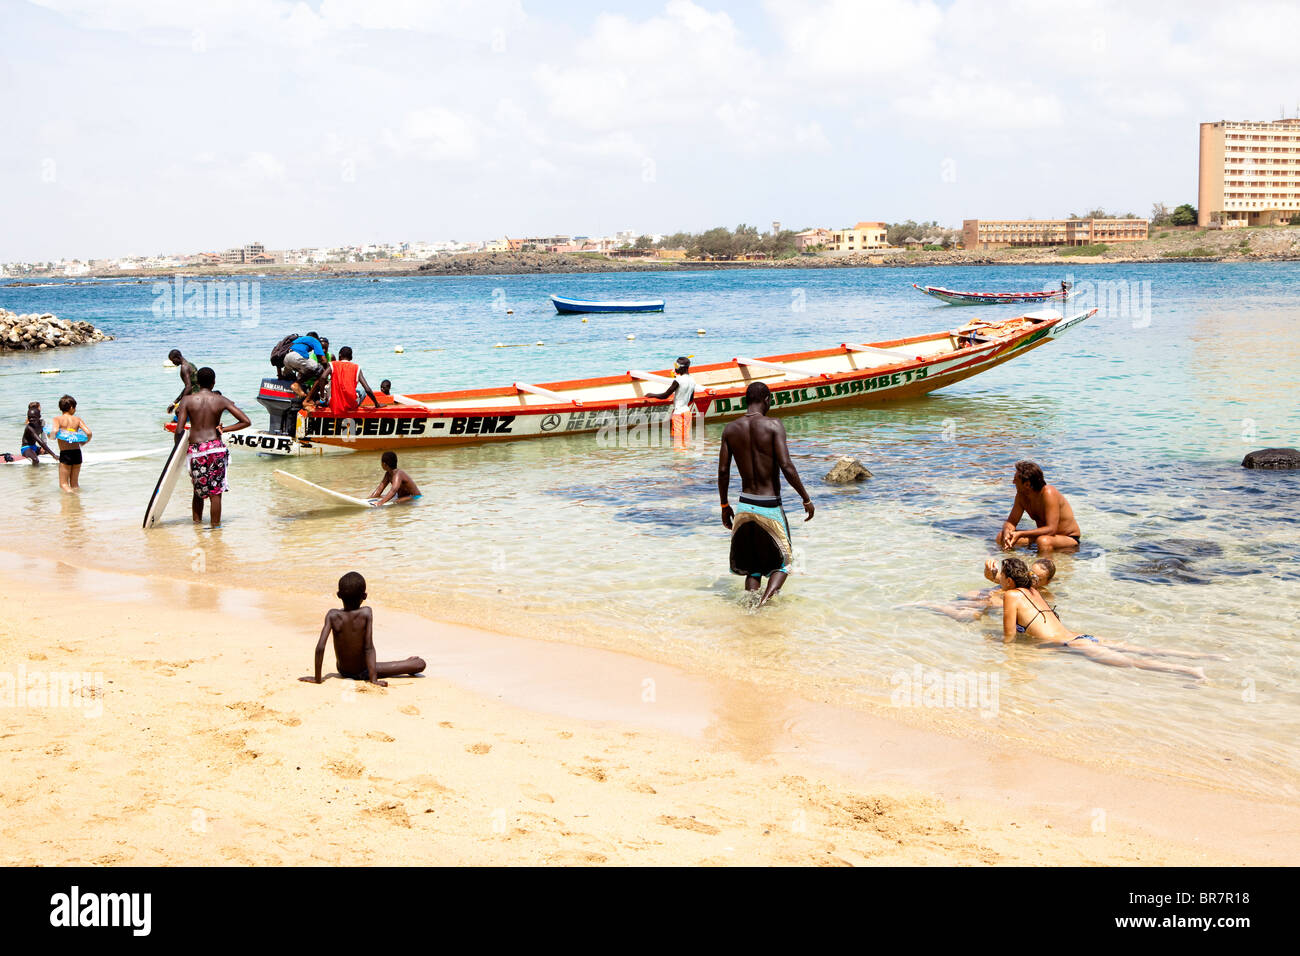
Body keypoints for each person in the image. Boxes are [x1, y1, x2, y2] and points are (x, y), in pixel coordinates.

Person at [995, 557, 1222, 678]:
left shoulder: (1011, 596)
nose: (1000, 579)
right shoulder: (1034, 592)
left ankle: (1190, 671)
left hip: (1070, 644)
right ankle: (1208, 656)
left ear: (1009, 580)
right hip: (1080, 637)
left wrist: (1004, 657)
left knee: (1133, 663)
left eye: (1002, 576)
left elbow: (1009, 637)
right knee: (1143, 650)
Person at [718, 381, 814, 607]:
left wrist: (724, 506)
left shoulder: (730, 429)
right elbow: (786, 465)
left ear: (746, 400)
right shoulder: (774, 425)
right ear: (767, 400)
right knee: (785, 563)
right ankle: (762, 604)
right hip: (769, 506)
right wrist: (805, 498)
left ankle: (750, 605)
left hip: (743, 506)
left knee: (753, 567)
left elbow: (723, 471)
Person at [300, 571, 426, 686]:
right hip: (363, 671)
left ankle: (405, 662)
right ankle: (406, 662)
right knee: (419, 664)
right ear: (364, 596)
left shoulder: (332, 615)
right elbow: (369, 648)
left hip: (343, 670)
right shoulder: (366, 613)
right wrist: (373, 679)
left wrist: (317, 678)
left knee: (409, 663)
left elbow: (320, 647)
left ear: (338, 595)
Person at [173, 366, 251, 527]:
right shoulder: (221, 400)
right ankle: (216, 530)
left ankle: (197, 527)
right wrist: (224, 429)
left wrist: (177, 452)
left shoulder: (187, 400)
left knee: (197, 491)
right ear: (214, 382)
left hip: (196, 450)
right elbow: (246, 421)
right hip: (216, 448)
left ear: (198, 382)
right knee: (216, 494)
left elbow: (179, 430)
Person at [910, 557, 1056, 623]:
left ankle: (929, 605)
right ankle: (935, 604)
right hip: (990, 596)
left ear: (1047, 582)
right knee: (963, 596)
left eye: (1038, 579)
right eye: (1031, 573)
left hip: (993, 603)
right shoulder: (1017, 579)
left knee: (969, 613)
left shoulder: (1040, 594)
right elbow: (992, 576)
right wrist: (989, 569)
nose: (1032, 579)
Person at [997, 460, 1082, 554]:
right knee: (1000, 537)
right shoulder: (1021, 496)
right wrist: (1006, 532)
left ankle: (1044, 567)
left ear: (1027, 484)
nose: (1013, 482)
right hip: (1042, 536)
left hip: (1068, 538)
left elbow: (1051, 529)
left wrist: (1021, 533)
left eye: (1016, 480)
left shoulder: (1048, 493)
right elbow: (1011, 522)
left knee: (1043, 541)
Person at [309, 346, 379, 412]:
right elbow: (368, 389)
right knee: (362, 391)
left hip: (334, 404)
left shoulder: (333, 364)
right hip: (350, 405)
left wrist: (322, 398)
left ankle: (324, 401)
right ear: (351, 357)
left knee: (330, 388)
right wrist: (376, 404)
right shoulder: (357, 368)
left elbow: (323, 377)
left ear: (339, 356)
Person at [646, 356, 697, 444]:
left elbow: (665, 395)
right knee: (685, 439)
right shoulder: (692, 380)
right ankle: (686, 456)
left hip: (678, 414)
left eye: (676, 366)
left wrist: (651, 395)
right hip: (687, 413)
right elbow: (691, 398)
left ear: (682, 368)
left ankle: (678, 457)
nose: (674, 369)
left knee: (677, 441)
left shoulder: (678, 380)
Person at [50, 395, 91, 492]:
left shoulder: (57, 419)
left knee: (64, 484)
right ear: (71, 407)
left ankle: (71, 501)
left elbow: (55, 431)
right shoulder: (77, 420)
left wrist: (51, 437)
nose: (75, 410)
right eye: (75, 407)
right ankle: (76, 502)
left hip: (66, 453)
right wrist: (84, 443)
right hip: (77, 453)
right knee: (75, 484)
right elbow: (89, 433)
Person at [283, 332, 326, 397]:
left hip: (286, 360)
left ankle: (301, 391)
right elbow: (323, 360)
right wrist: (327, 371)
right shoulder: (314, 340)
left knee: (306, 370)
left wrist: (279, 375)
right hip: (296, 357)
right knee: (320, 370)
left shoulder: (297, 340)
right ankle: (307, 398)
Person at [167, 349, 200, 416]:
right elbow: (190, 386)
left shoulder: (184, 368)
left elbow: (188, 387)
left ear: (178, 357)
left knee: (178, 412)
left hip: (193, 397)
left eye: (173, 360)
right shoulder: (191, 364)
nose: (173, 363)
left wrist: (181, 404)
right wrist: (175, 403)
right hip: (200, 395)